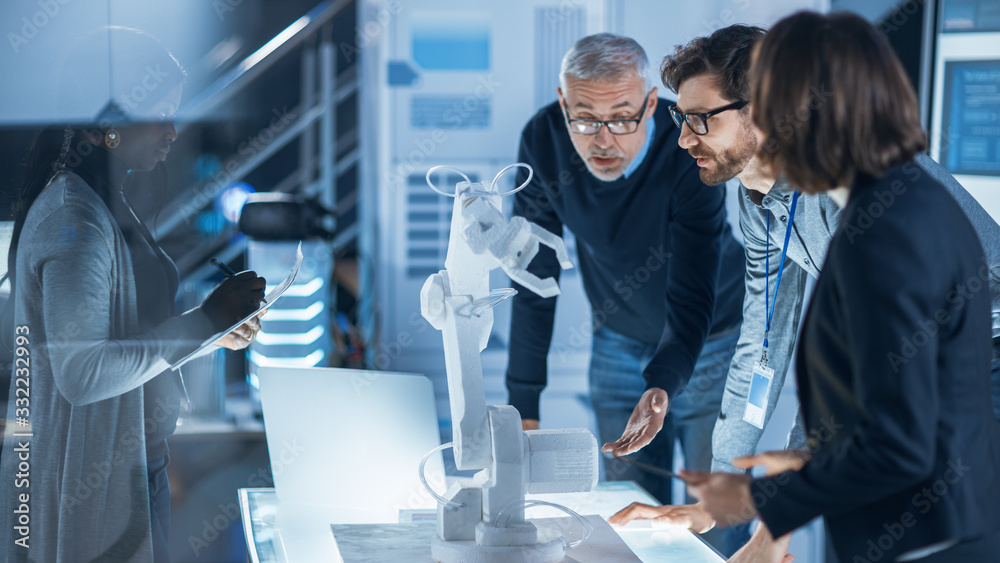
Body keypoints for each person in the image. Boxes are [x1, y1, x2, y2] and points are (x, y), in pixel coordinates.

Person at [611, 22, 1000, 562]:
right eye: (681, 117)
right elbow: (763, 340)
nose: (682, 139)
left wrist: (771, 524)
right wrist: (718, 495)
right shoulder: (762, 199)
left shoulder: (873, 208)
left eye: (701, 119)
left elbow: (859, 385)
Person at [0, 27, 266, 563]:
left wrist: (210, 332)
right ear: (107, 126)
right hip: (95, 484)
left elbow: (126, 341)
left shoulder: (96, 204)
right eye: (158, 113)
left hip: (130, 466)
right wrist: (203, 322)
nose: (172, 131)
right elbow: (84, 374)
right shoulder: (75, 220)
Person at [504, 32, 747, 554]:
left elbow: (692, 290)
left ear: (652, 105)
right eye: (585, 118)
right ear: (563, 102)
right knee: (628, 503)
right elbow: (533, 279)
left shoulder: (688, 149)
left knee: (712, 514)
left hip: (711, 338)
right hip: (616, 338)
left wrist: (662, 381)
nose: (603, 140)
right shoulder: (543, 141)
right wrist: (523, 408)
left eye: (622, 117)